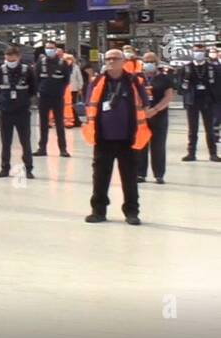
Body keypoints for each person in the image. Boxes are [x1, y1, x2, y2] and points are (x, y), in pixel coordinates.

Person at [84, 48, 150, 225]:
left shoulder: (134, 81)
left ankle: (131, 212)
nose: (111, 61)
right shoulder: (97, 81)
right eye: (108, 58)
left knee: (129, 178)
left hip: (128, 138)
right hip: (103, 138)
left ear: (123, 61)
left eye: (115, 58)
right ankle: (98, 211)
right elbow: (88, 104)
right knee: (100, 177)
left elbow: (145, 103)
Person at [0, 45, 36, 179]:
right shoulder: (0, 71)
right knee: (6, 142)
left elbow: (33, 89)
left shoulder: (27, 70)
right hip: (5, 112)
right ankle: (5, 168)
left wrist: (23, 101)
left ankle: (28, 169)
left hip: (22, 112)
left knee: (25, 141)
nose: (10, 59)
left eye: (13, 57)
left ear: (18, 57)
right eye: (8, 57)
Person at [137, 52, 174, 184]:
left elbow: (168, 96)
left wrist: (155, 109)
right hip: (141, 116)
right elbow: (133, 95)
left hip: (159, 116)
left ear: (156, 63)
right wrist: (142, 110)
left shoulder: (165, 78)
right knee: (141, 145)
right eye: (146, 61)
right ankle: (140, 173)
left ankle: (159, 174)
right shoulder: (138, 78)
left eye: (151, 61)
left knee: (158, 146)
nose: (149, 63)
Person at [34, 40, 73, 158]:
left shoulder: (63, 63)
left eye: (51, 48)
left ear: (56, 49)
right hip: (44, 97)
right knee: (43, 123)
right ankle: (42, 148)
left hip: (57, 97)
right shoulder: (41, 62)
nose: (49, 50)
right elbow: (36, 78)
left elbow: (66, 80)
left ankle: (63, 149)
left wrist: (60, 91)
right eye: (47, 48)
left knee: (59, 123)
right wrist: (39, 91)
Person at [181, 43, 220, 161]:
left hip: (207, 101)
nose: (199, 53)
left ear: (205, 53)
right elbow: (180, 86)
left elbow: (218, 85)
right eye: (196, 51)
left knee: (210, 129)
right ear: (192, 53)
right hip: (192, 101)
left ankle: (213, 153)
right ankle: (191, 153)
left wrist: (216, 100)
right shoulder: (186, 68)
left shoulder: (212, 68)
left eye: (201, 51)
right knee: (192, 129)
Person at [66, 51, 85, 127]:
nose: (69, 60)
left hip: (74, 89)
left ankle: (75, 120)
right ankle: (72, 120)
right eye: (67, 58)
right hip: (65, 90)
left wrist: (80, 88)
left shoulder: (75, 67)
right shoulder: (63, 66)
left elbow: (79, 78)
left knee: (72, 105)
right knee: (67, 106)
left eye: (70, 59)